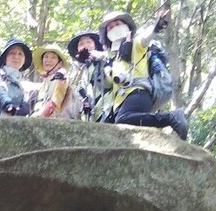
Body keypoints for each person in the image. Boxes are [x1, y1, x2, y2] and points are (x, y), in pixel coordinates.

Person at [99, 8, 189, 139]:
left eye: (118, 24)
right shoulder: (114, 60)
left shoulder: (136, 43)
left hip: (138, 92)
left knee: (124, 120)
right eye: (110, 27)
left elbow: (145, 38)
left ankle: (171, 117)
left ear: (127, 26)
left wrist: (156, 26)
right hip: (121, 101)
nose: (114, 28)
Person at [65, 28, 108, 120]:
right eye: (81, 44)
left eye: (89, 42)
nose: (85, 46)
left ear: (95, 45)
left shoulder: (104, 59)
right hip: (86, 113)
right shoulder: (75, 71)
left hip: (105, 107)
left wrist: (96, 56)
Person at [32, 44, 81, 118]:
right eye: (46, 57)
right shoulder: (45, 81)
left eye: (53, 57)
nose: (48, 60)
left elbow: (55, 102)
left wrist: (40, 117)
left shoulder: (61, 77)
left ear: (60, 63)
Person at [0, 38, 34, 116]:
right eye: (12, 53)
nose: (16, 57)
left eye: (20, 54)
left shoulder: (24, 85)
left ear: (24, 59)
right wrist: (8, 105)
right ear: (5, 57)